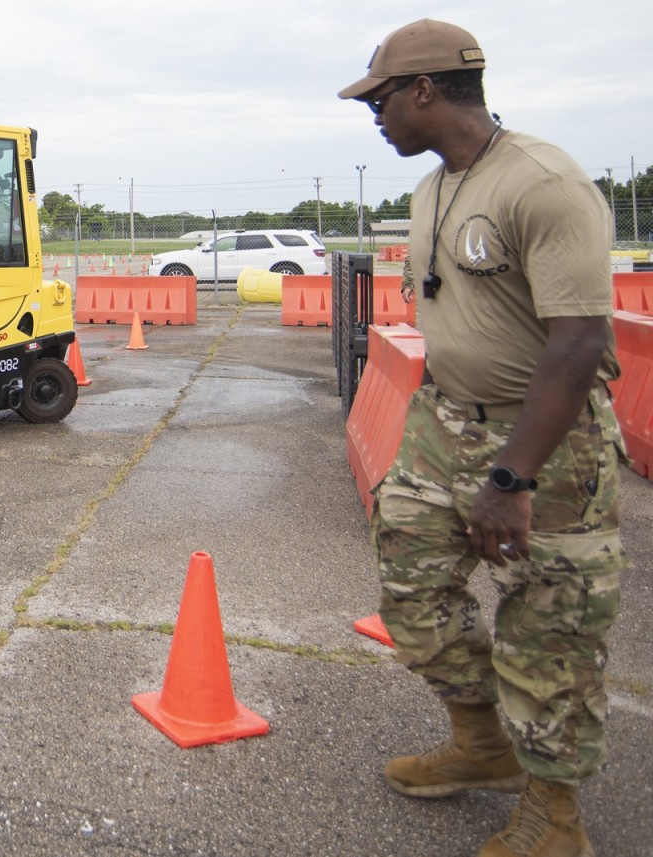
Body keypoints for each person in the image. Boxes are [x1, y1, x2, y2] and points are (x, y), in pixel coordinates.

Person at [339, 19, 625, 857]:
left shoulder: (544, 183)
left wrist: (514, 479)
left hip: (546, 442)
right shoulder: (432, 188)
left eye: (382, 100)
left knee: (552, 627)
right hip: (445, 420)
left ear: (426, 90)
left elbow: (577, 344)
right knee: (412, 587)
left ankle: (554, 815)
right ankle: (482, 742)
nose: (377, 116)